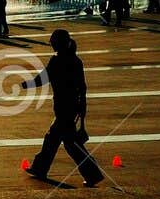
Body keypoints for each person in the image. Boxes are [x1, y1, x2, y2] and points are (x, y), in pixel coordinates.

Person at [20, 29, 103, 186]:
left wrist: (27, 84)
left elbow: (43, 79)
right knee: (55, 140)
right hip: (72, 107)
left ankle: (92, 174)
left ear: (57, 43)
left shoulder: (57, 61)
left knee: (68, 144)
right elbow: (82, 87)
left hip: (63, 107)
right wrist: (83, 107)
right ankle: (40, 168)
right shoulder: (76, 61)